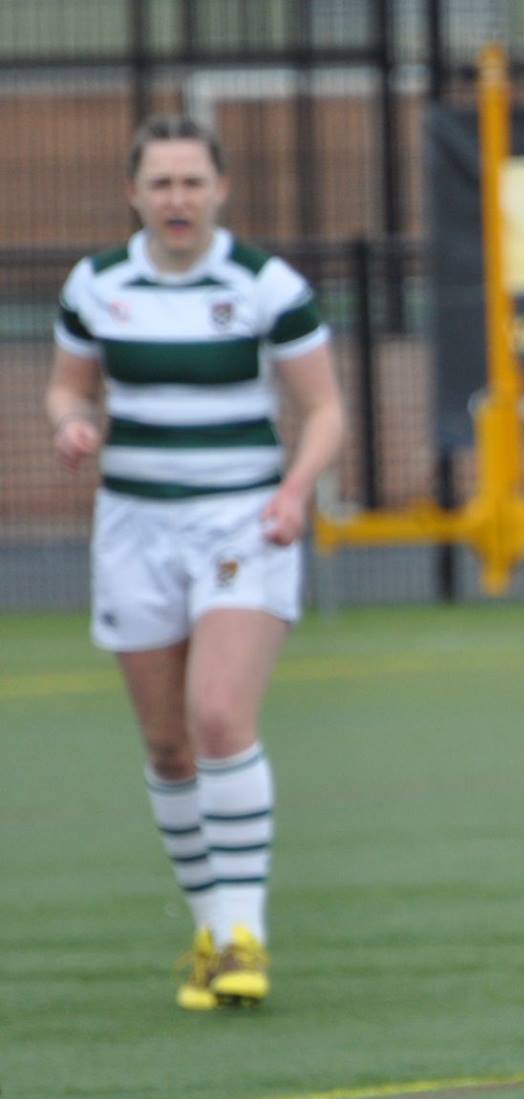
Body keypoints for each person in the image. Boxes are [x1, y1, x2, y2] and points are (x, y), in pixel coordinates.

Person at [47, 114, 345, 1011]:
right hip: (134, 527)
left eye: (192, 181)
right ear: (133, 194)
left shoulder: (266, 285)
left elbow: (325, 409)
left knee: (218, 716)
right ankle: (212, 935)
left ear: (222, 190)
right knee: (168, 744)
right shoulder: (98, 285)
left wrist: (294, 492)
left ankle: (246, 933)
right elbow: (69, 382)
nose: (178, 197)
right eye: (161, 183)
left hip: (240, 526)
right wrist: (70, 422)